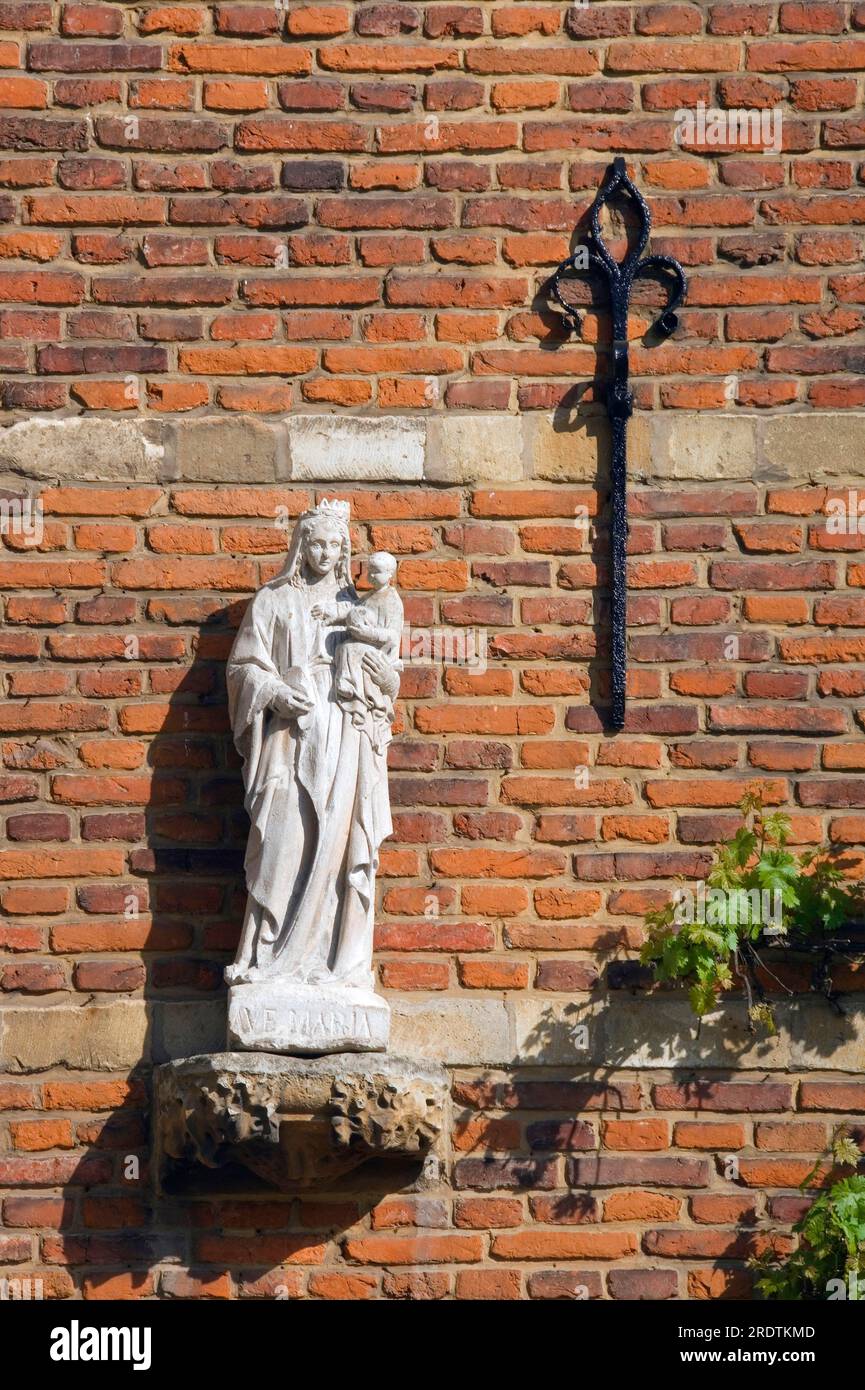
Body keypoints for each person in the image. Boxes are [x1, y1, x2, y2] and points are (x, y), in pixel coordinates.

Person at [225, 500, 399, 990]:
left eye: (334, 545)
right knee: (283, 839)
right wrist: (276, 692)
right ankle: (264, 957)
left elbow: (389, 675)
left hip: (346, 736)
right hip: (289, 735)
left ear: (345, 551)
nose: (324, 554)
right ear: (301, 545)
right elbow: (242, 669)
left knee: (341, 843)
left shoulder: (362, 609)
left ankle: (331, 965)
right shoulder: (273, 601)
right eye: (316, 543)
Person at [312, 551, 403, 755]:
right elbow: (352, 611)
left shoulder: (392, 601)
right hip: (362, 647)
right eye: (369, 572)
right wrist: (331, 614)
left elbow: (392, 636)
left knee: (351, 649)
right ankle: (347, 682)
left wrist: (366, 633)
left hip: (379, 654)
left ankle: (353, 689)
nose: (371, 577)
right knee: (344, 648)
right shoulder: (369, 597)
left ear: (390, 574)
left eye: (376, 572)